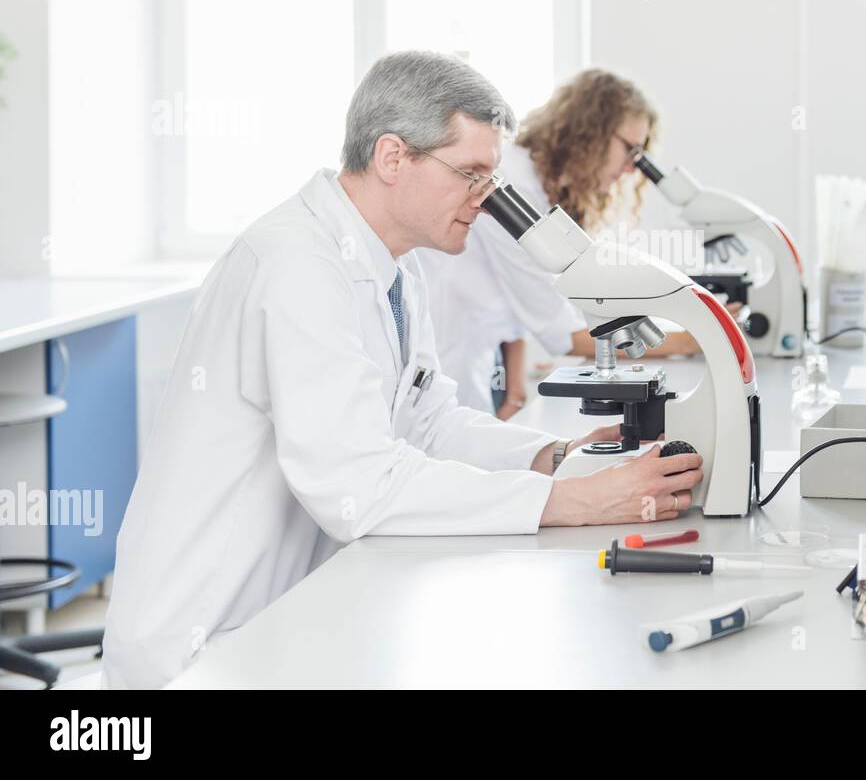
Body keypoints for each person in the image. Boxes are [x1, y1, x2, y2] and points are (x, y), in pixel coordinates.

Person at [102, 52, 703, 688]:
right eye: (471, 174)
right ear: (393, 157)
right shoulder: (297, 266)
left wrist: (552, 456)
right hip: (200, 642)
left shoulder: (394, 264)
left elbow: (428, 419)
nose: (486, 200)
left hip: (286, 617)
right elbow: (357, 485)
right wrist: (573, 501)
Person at [421, 69, 699, 420]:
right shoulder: (514, 187)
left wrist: (516, 390)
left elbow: (515, 295)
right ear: (591, 131)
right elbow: (562, 333)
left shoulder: (535, 183)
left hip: (481, 360)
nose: (632, 168)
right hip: (448, 362)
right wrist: (694, 341)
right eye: (632, 150)